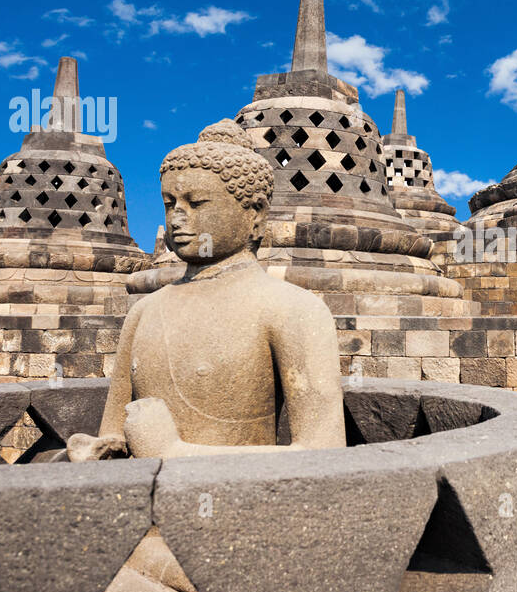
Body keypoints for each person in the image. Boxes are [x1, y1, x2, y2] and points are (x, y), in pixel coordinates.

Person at [66, 120, 346, 460]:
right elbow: (114, 431)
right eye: (170, 204)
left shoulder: (292, 309)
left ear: (255, 215)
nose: (177, 218)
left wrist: (172, 451)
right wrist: (100, 448)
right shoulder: (143, 312)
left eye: (197, 203)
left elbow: (323, 452)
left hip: (242, 505)